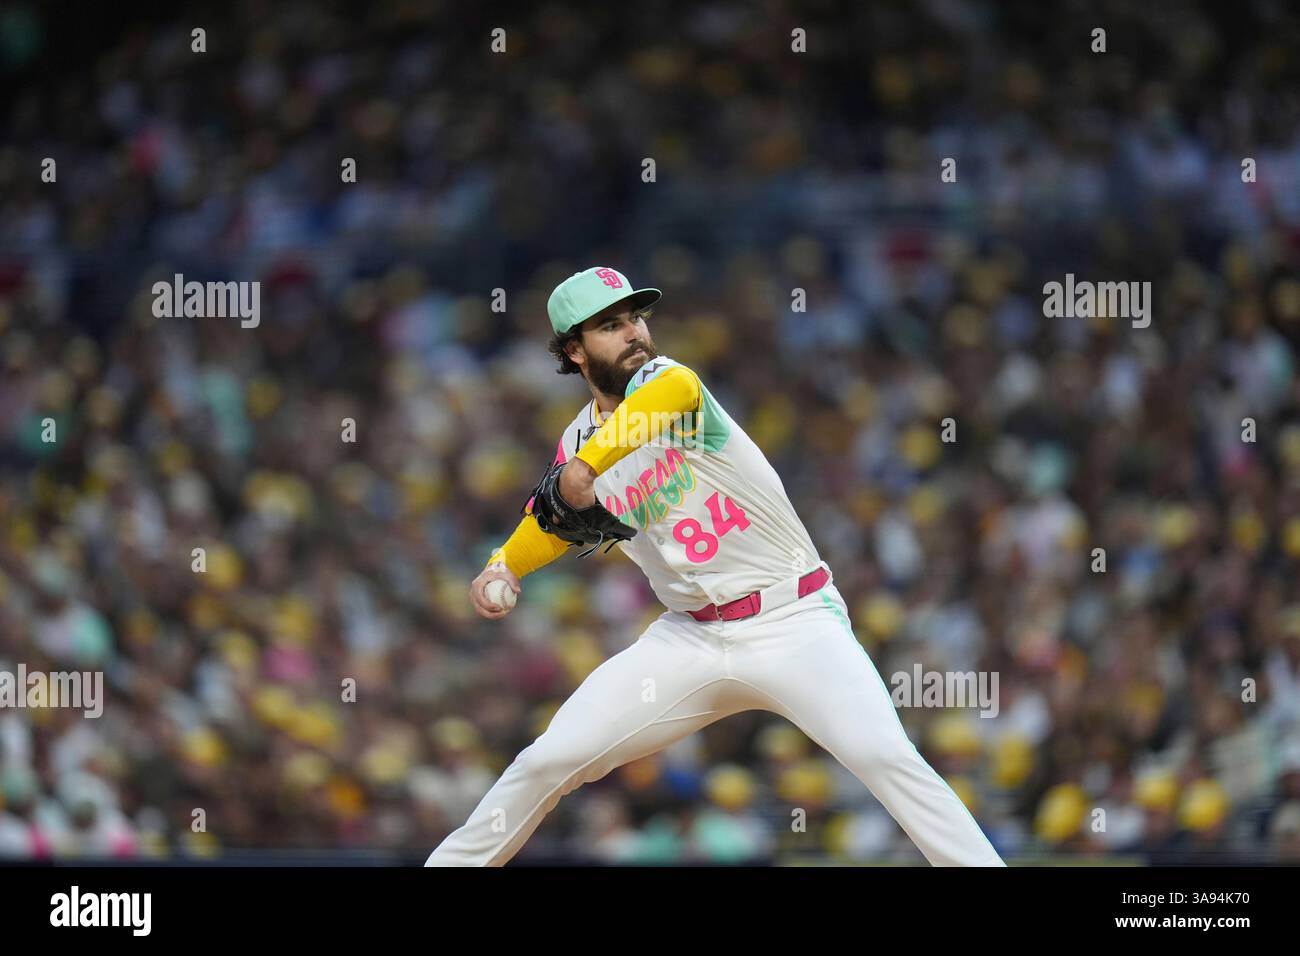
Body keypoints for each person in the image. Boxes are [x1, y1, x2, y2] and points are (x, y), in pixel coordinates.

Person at [426, 266, 1005, 866]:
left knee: (888, 760)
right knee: (548, 760)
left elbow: (660, 404)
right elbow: (551, 522)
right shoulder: (577, 444)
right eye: (609, 326)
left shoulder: (668, 383)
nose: (633, 334)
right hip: (690, 640)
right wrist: (503, 566)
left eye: (635, 318)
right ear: (573, 350)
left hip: (794, 619)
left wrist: (588, 467)